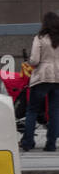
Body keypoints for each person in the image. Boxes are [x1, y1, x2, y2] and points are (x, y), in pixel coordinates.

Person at [20, 11, 59, 151]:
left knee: (32, 110)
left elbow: (35, 60)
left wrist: (29, 62)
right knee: (55, 111)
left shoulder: (40, 38)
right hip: (58, 78)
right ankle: (51, 145)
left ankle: (28, 143)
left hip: (42, 77)